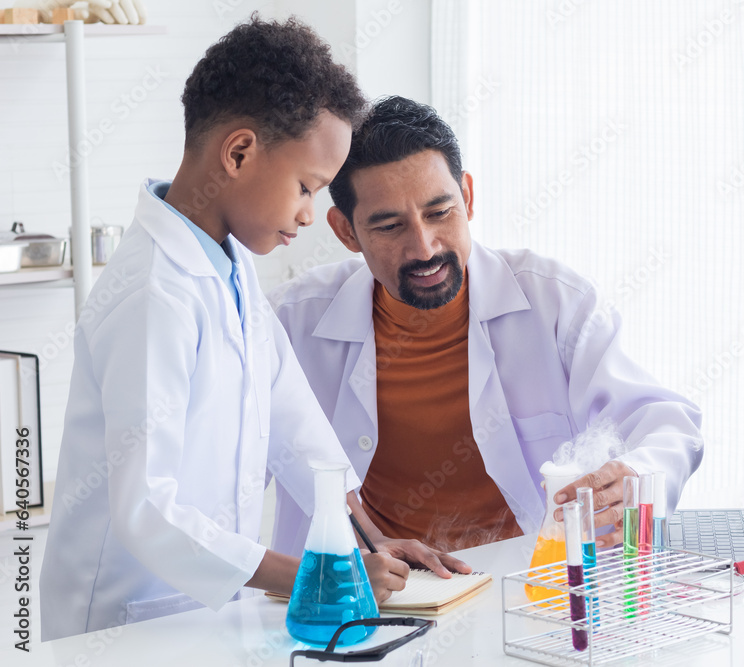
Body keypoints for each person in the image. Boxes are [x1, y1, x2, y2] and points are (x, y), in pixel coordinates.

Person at [40, 20, 465, 642]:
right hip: (118, 624)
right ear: (238, 154)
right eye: (305, 187)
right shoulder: (154, 294)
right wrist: (310, 577)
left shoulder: (228, 264)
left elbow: (294, 423)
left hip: (197, 615)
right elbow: (145, 509)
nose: (309, 215)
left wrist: (372, 538)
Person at [268, 96, 704, 557]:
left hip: (523, 590)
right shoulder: (292, 322)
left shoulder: (554, 301)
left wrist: (637, 473)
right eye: (391, 227)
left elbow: (668, 423)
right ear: (346, 232)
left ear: (468, 197)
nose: (424, 247)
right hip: (373, 597)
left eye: (440, 213)